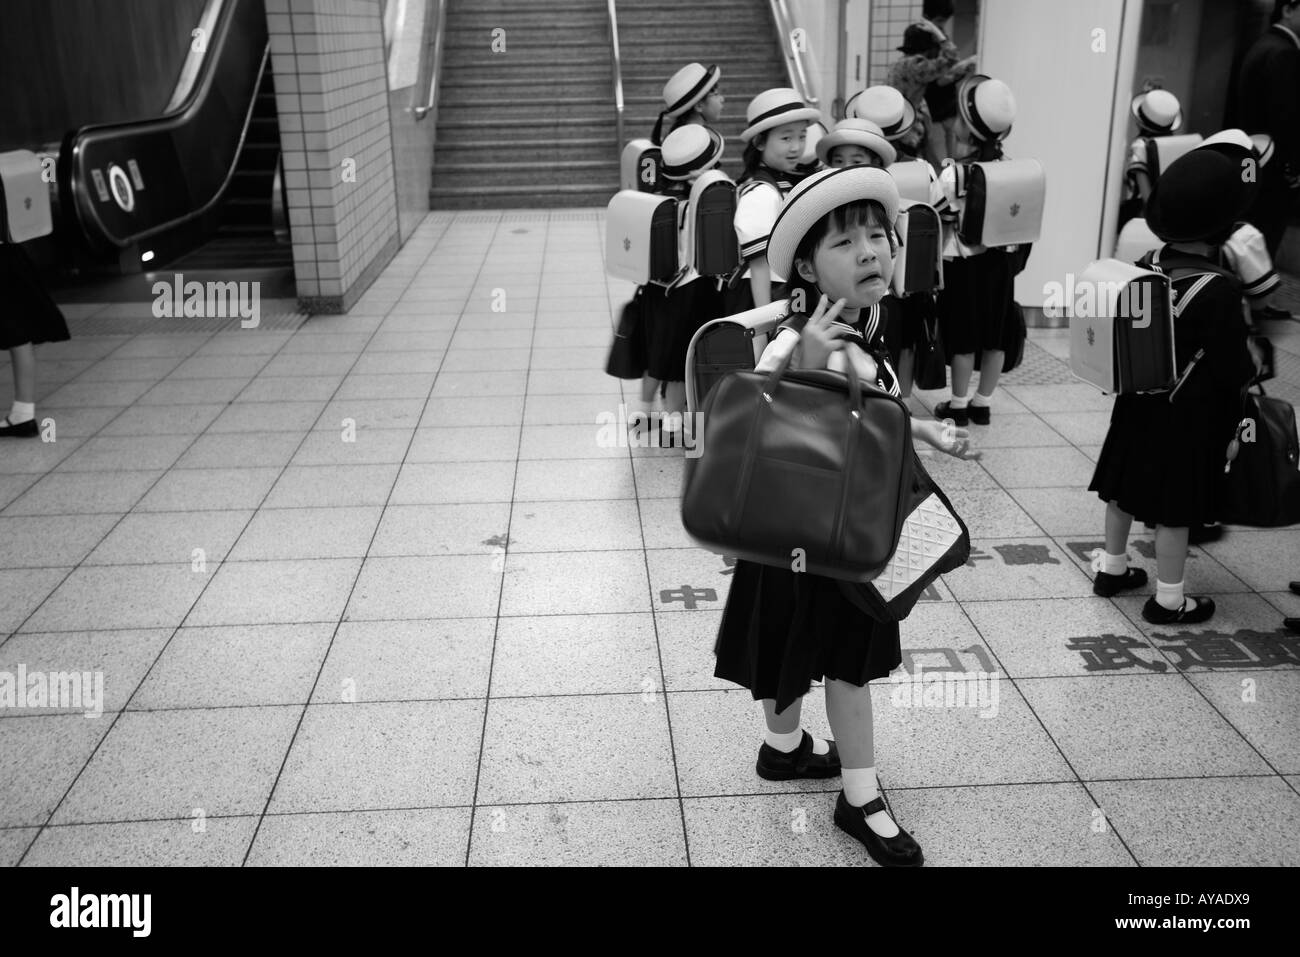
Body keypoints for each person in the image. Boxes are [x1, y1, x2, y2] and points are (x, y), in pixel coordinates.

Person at [713, 166, 980, 867]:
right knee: (836, 663)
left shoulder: (871, 320)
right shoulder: (797, 338)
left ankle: (786, 750)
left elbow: (883, 400)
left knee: (803, 652)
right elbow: (744, 424)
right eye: (846, 243)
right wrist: (797, 362)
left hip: (843, 530)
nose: (870, 251)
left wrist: (931, 432)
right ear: (805, 265)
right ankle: (858, 798)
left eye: (878, 235)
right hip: (807, 538)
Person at [1087, 149, 1258, 624]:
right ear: (1221, 230)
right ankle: (1169, 600)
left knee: (1121, 491)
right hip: (1185, 419)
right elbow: (1232, 369)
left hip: (1134, 404)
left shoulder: (1146, 263)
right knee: (1174, 509)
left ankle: (1113, 569)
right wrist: (1233, 426)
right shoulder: (1218, 289)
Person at [933, 74, 1023, 425]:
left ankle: (957, 406)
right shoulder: (1012, 168)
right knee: (995, 334)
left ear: (968, 130)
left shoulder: (953, 175)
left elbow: (941, 222)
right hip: (1001, 265)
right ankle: (983, 403)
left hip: (963, 266)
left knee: (963, 335)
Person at [641, 125, 727, 444]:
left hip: (655, 286)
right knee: (681, 360)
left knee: (657, 355)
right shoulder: (703, 204)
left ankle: (645, 414)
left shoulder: (657, 198)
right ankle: (676, 431)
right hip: (691, 289)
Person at [727, 88, 821, 315]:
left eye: (802, 136)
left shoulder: (781, 181)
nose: (796, 147)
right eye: (786, 137)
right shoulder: (760, 192)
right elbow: (759, 267)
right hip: (765, 297)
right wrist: (765, 325)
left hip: (781, 293)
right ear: (760, 142)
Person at [1231, 0, 1300, 264]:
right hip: (1274, 164)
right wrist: (1293, 167)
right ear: (1288, 9)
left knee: (1251, 227)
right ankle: (1257, 301)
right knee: (1265, 233)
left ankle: (1248, 299)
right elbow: (1286, 116)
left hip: (1251, 157)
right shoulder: (1284, 53)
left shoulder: (1261, 45)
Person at [1, 239, 70, 437]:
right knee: (18, 333)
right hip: (9, 249)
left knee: (16, 332)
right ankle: (23, 413)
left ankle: (23, 415)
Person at [1119, 88, 1185, 226]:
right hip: (1168, 210)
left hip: (1140, 213)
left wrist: (1153, 215)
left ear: (1139, 121)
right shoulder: (1175, 144)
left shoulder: (1140, 145)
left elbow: (1141, 181)